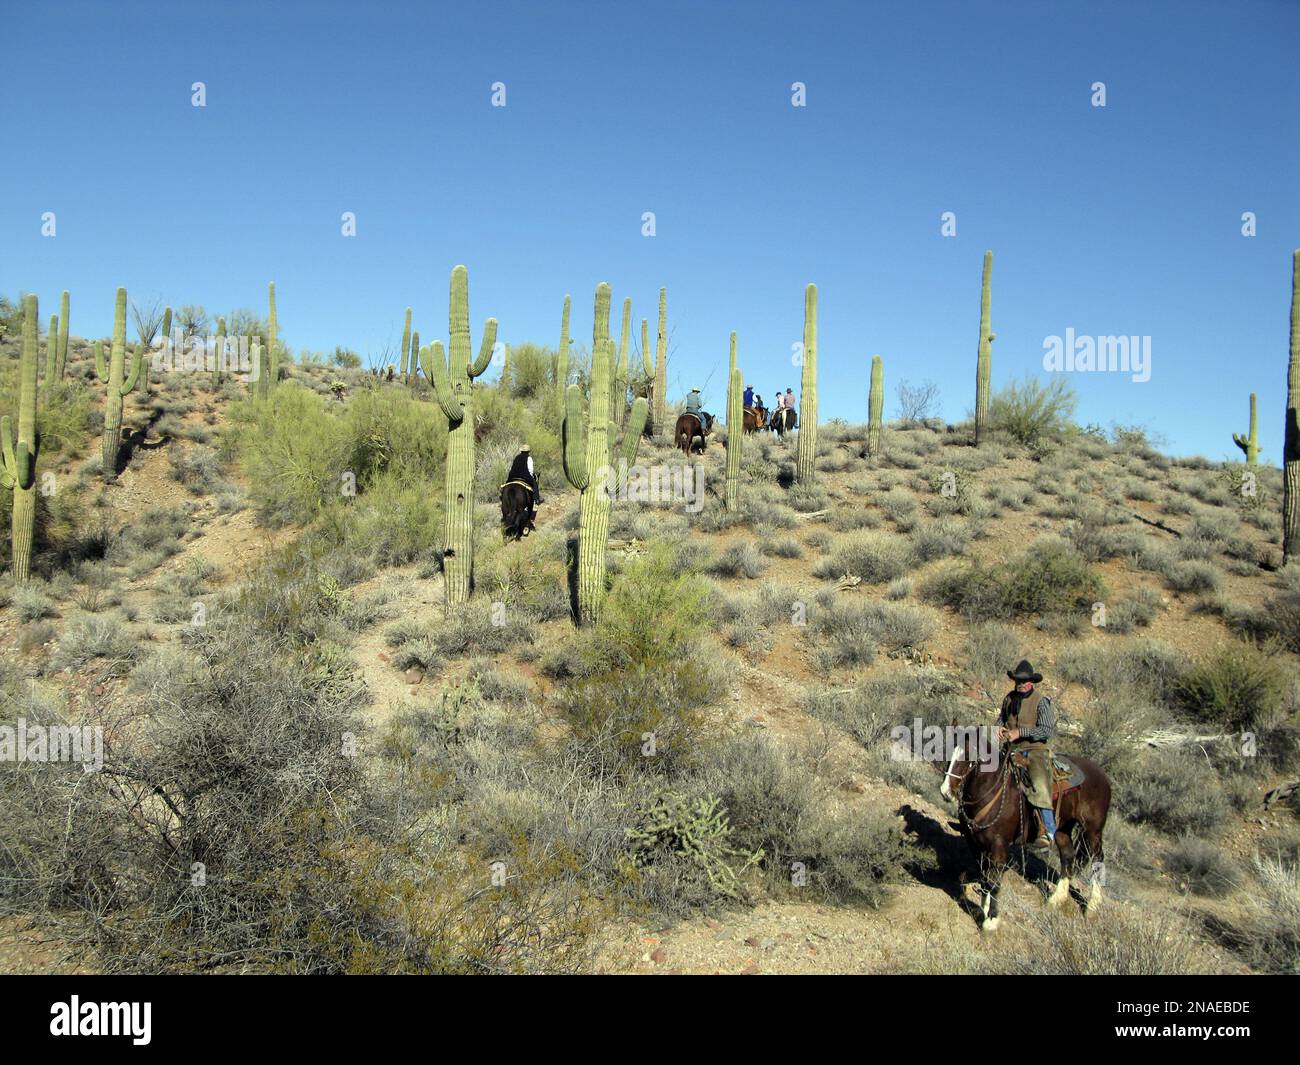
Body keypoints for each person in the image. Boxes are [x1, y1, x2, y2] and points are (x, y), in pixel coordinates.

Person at [996, 660, 1057, 848]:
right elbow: (1001, 719)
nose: (1020, 684)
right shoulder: (1009, 698)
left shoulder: (1041, 701)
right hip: (1010, 749)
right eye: (1017, 680)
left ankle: (1048, 830)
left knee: (1039, 783)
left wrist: (1020, 733)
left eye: (1024, 681)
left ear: (1032, 681)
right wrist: (998, 728)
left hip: (1034, 751)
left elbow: (1046, 730)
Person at [506, 444, 543, 517]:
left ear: (521, 451)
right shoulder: (529, 458)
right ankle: (537, 499)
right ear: (528, 451)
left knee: (507, 484)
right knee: (534, 483)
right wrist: (531, 476)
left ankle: (503, 496)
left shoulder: (517, 457)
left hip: (513, 476)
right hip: (524, 476)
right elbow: (530, 470)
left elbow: (513, 467)